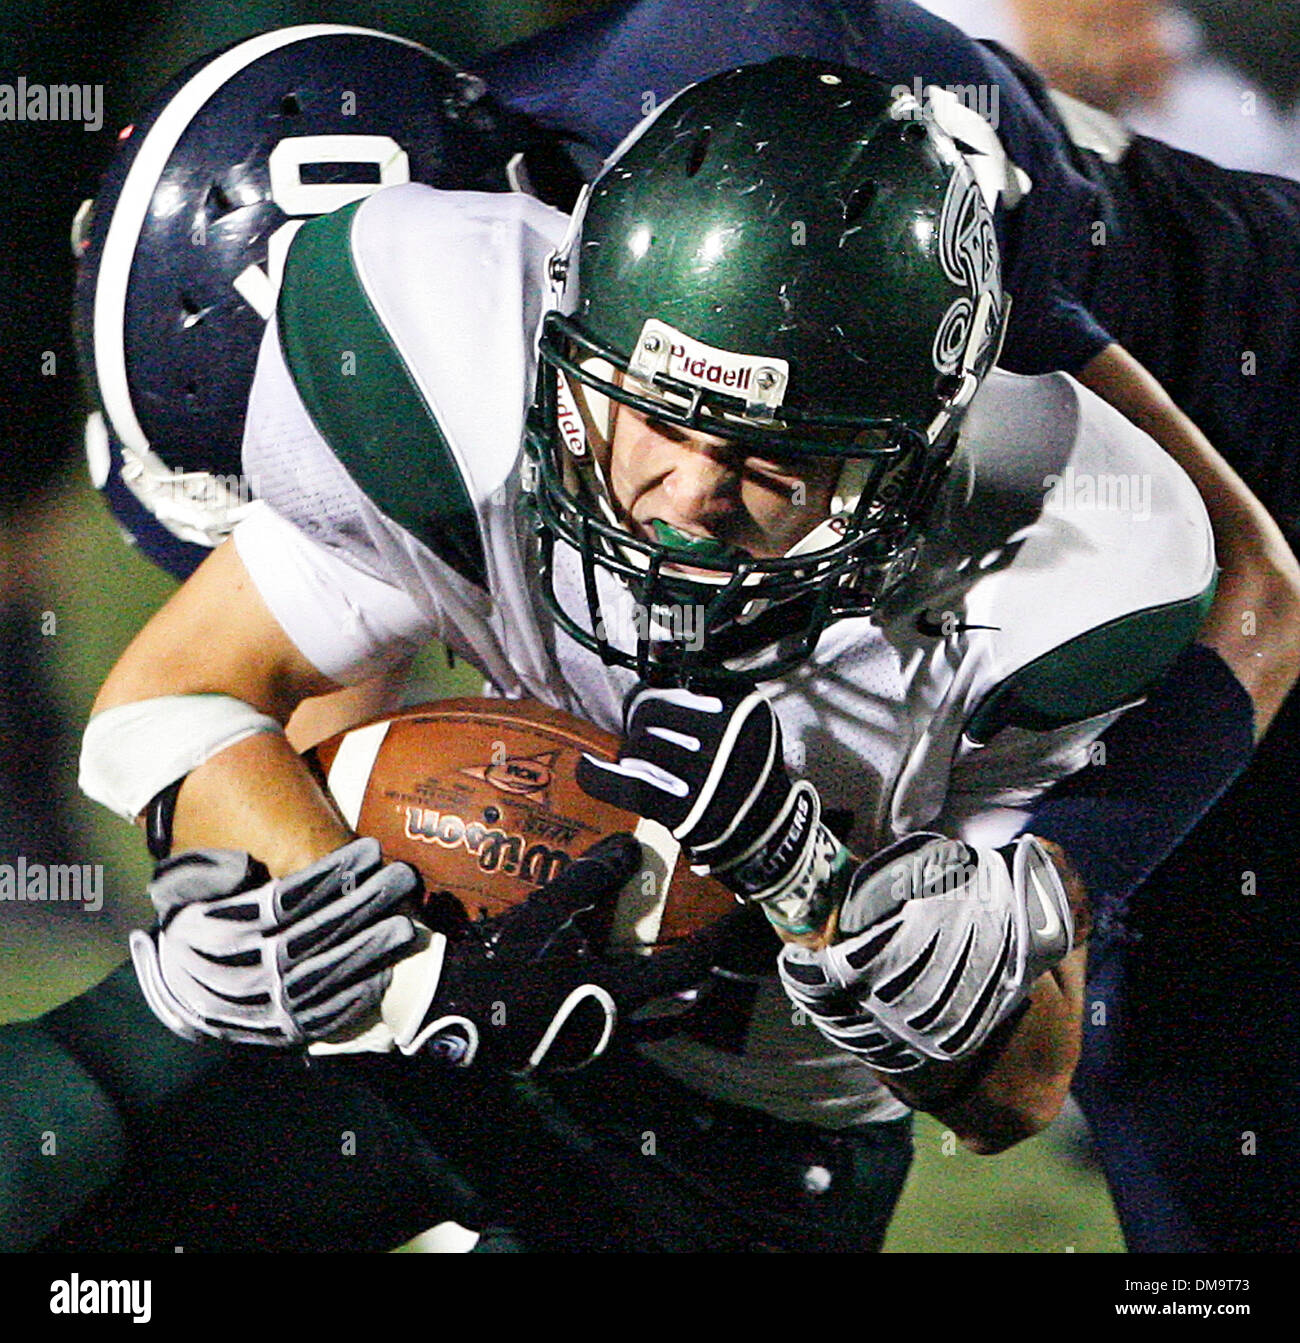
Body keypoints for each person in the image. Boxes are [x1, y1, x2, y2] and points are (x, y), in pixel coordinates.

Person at [74, 57, 1298, 1251]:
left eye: (774, 458)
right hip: (427, 1008)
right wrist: (261, 916)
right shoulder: (463, 343)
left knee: (1205, 1124)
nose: (684, 500)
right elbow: (185, 694)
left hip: (747, 1126)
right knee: (54, 1129)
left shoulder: (1049, 553)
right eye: (656, 416)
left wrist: (819, 875)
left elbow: (1012, 1091)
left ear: (918, 456)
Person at [480, 0, 1300, 1252]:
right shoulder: (535, 180)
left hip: (1235, 427)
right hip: (1056, 408)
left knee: (1183, 1094)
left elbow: (1258, 588)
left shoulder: (849, 201)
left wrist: (1055, 876)